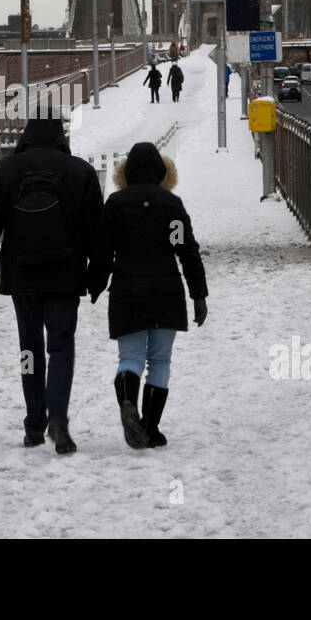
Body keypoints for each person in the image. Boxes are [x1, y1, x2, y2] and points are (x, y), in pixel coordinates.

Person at [0, 114, 104, 455]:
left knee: (29, 348)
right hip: (65, 274)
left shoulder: (6, 170)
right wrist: (98, 275)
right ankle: (57, 417)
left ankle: (33, 424)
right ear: (61, 135)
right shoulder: (80, 172)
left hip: (23, 276)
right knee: (60, 348)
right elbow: (97, 231)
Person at [88, 143, 208, 449]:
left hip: (127, 290)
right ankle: (150, 428)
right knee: (160, 362)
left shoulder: (115, 204)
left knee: (130, 358)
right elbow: (187, 250)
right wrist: (199, 294)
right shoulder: (172, 204)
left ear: (125, 173)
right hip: (166, 291)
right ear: (161, 172)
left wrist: (95, 284)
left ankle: (128, 401)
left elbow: (102, 251)